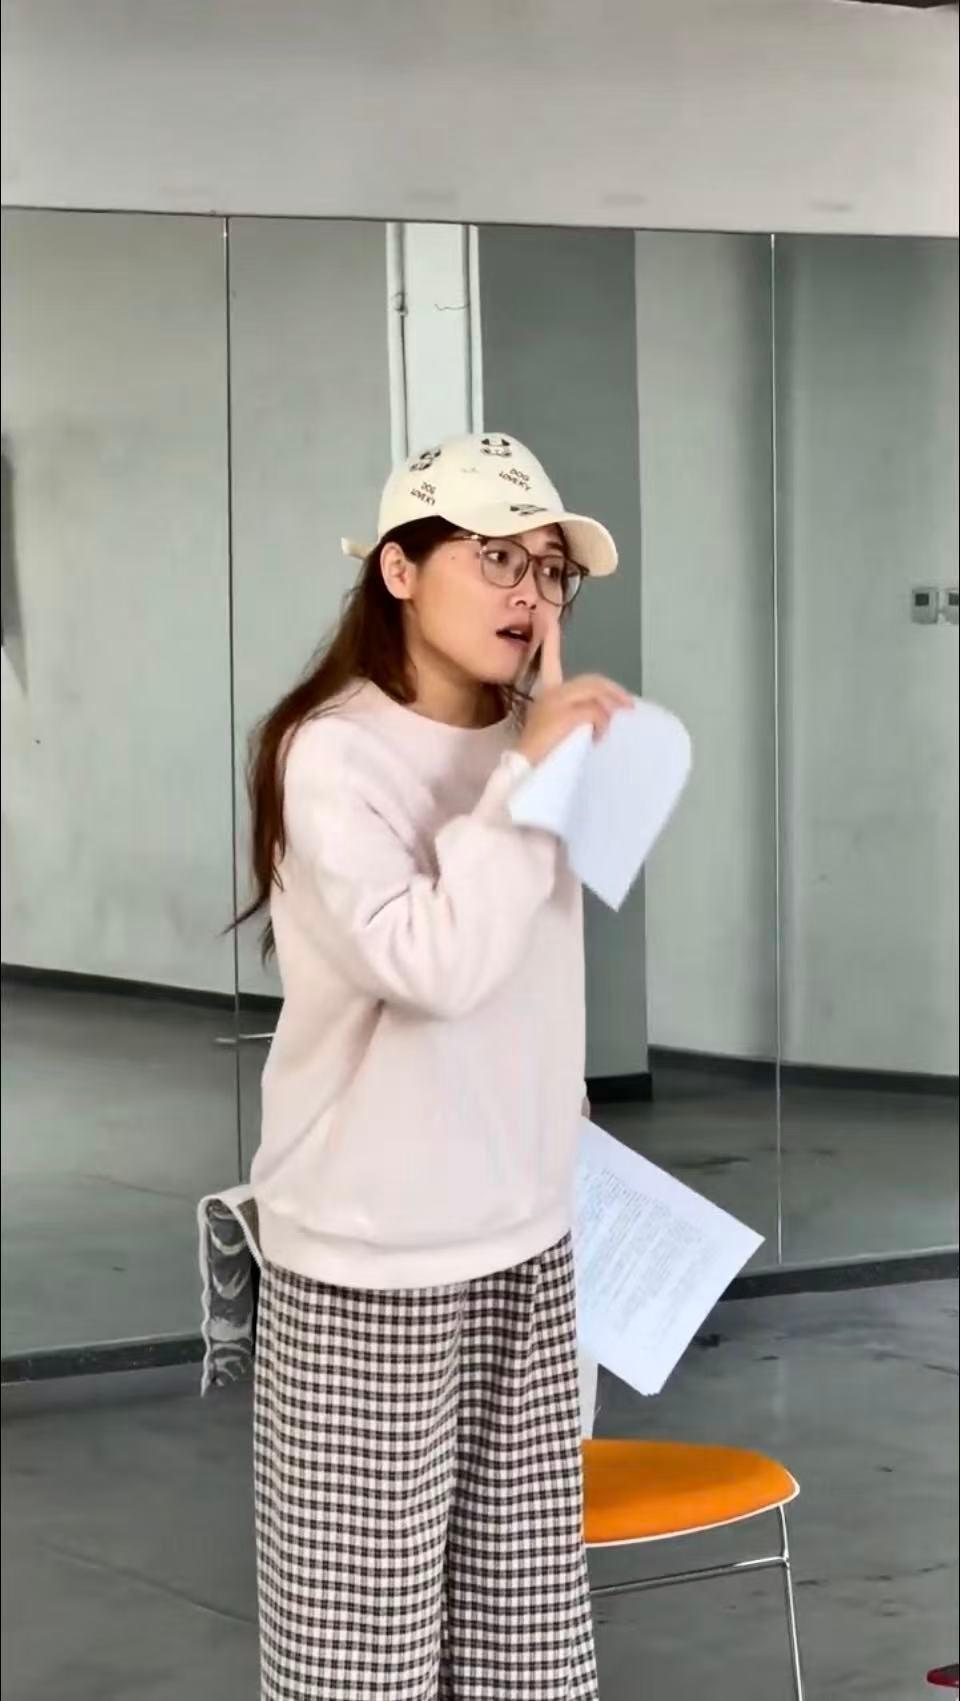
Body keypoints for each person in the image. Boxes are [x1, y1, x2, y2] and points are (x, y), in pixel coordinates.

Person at [239, 431, 628, 1700]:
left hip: (527, 1238)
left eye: (551, 571)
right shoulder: (328, 752)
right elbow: (435, 966)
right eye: (496, 560)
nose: (530, 594)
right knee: (360, 1662)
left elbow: (543, 974)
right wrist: (526, 773)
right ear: (398, 572)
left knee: (527, 1653)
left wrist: (562, 754)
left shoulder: (532, 745)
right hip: (374, 1260)